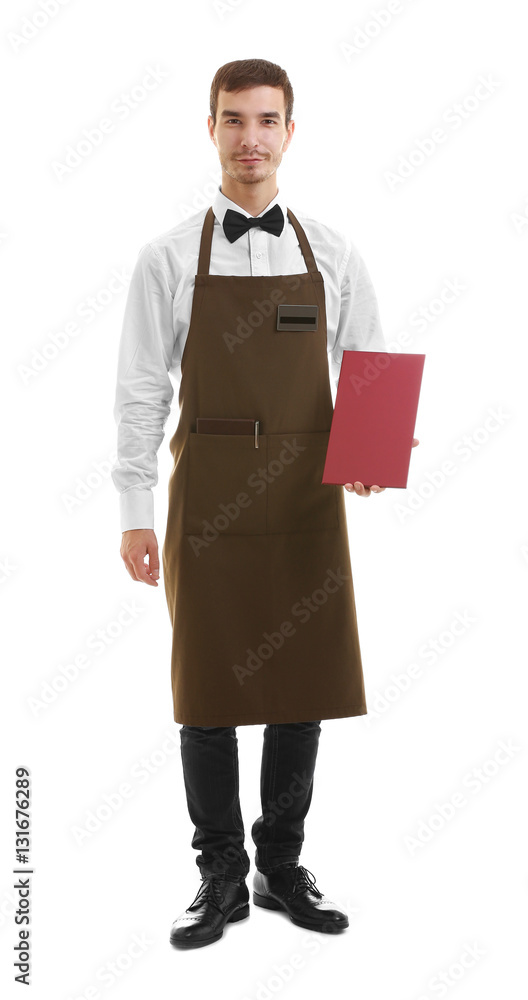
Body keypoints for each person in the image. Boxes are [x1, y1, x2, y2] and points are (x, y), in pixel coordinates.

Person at [111, 57, 418, 950]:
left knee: (301, 687)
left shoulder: (334, 249)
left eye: (267, 120)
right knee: (203, 691)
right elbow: (138, 392)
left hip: (303, 499)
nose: (251, 138)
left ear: (292, 131)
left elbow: (369, 364)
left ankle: (280, 866)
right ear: (210, 130)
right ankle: (218, 876)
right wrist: (134, 508)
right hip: (205, 500)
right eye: (234, 120)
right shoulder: (166, 256)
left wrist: (372, 457)